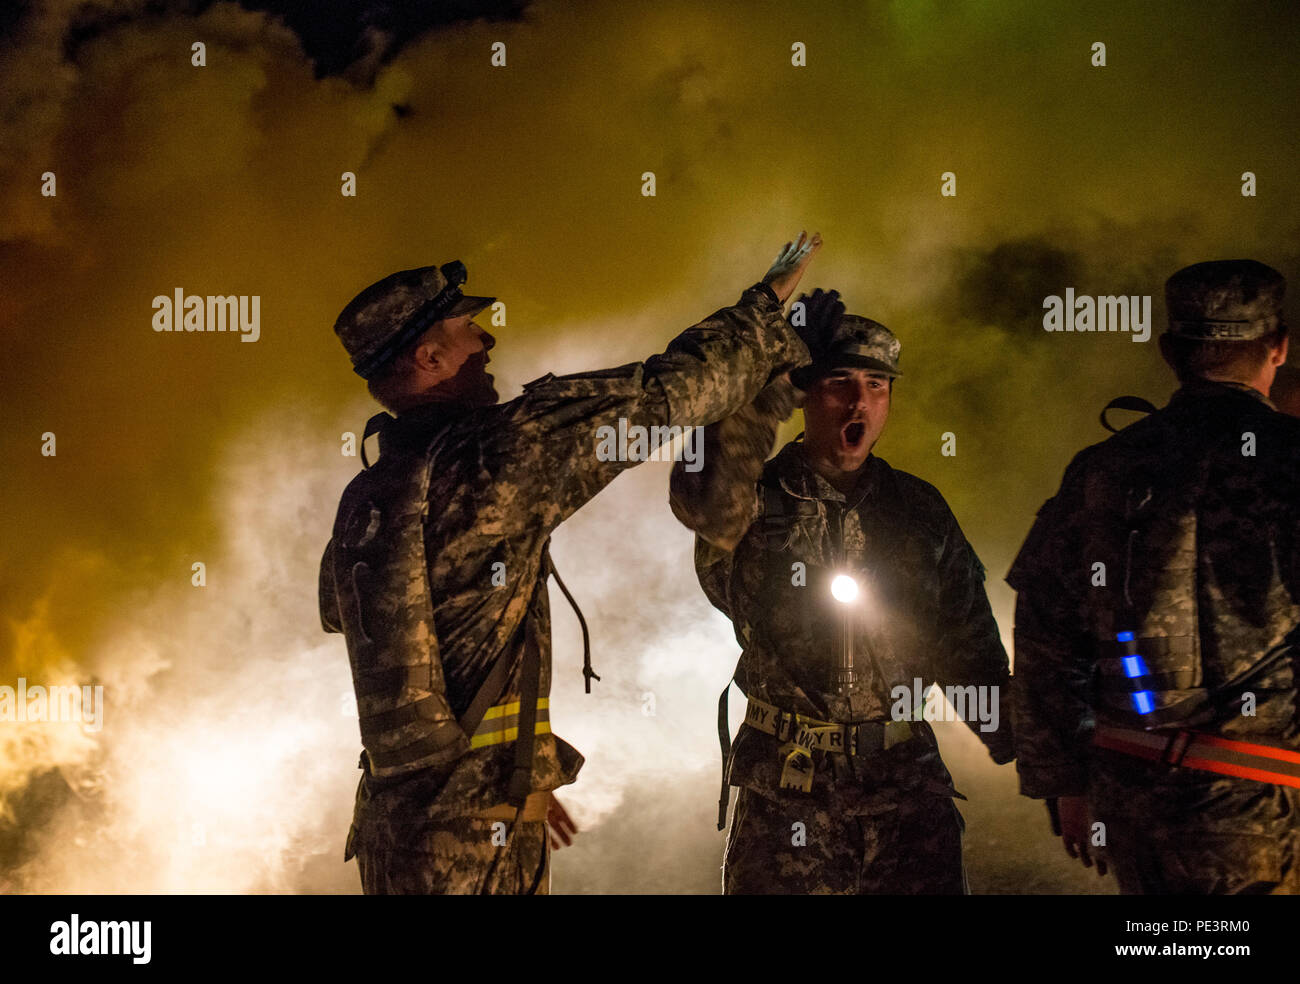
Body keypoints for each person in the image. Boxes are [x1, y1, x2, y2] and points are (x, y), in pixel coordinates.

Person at [318, 233, 821, 894]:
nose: (487, 340)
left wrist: (509, 776)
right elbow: (671, 394)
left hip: (403, 829)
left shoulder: (370, 494)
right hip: (472, 843)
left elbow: (367, 630)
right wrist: (765, 312)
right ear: (428, 355)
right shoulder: (495, 454)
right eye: (468, 328)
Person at [670, 288, 1014, 894]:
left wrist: (1048, 759)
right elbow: (702, 493)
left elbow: (968, 648)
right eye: (839, 381)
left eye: (877, 385)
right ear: (806, 393)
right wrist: (772, 380)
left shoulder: (918, 509)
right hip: (788, 798)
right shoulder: (752, 499)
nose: (860, 399)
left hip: (906, 794)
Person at [1009, 258, 1300, 894]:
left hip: (1134, 797)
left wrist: (1064, 782)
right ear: (1278, 347)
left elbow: (1042, 634)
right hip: (1267, 802)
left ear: (1170, 352)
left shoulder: (1103, 468)